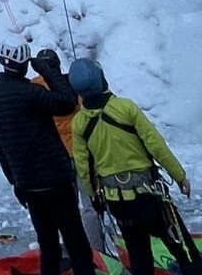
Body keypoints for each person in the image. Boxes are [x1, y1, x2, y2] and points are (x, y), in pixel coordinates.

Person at [70, 58, 201, 275]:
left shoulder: (80, 124)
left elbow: (84, 166)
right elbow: (156, 145)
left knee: (139, 256)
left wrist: (95, 197)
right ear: (101, 80)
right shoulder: (126, 108)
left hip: (117, 203)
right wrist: (180, 177)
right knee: (182, 248)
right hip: (149, 198)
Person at [0, 41, 95, 275]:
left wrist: (15, 181)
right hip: (54, 178)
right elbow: (67, 101)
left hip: (27, 183)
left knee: (49, 245)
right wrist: (46, 70)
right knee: (76, 243)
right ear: (25, 65)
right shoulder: (30, 92)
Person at [30, 48, 109, 253]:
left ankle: (71, 250)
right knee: (90, 205)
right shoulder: (73, 84)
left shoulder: (36, 89)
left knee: (66, 208)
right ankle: (98, 251)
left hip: (56, 159)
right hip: (82, 153)